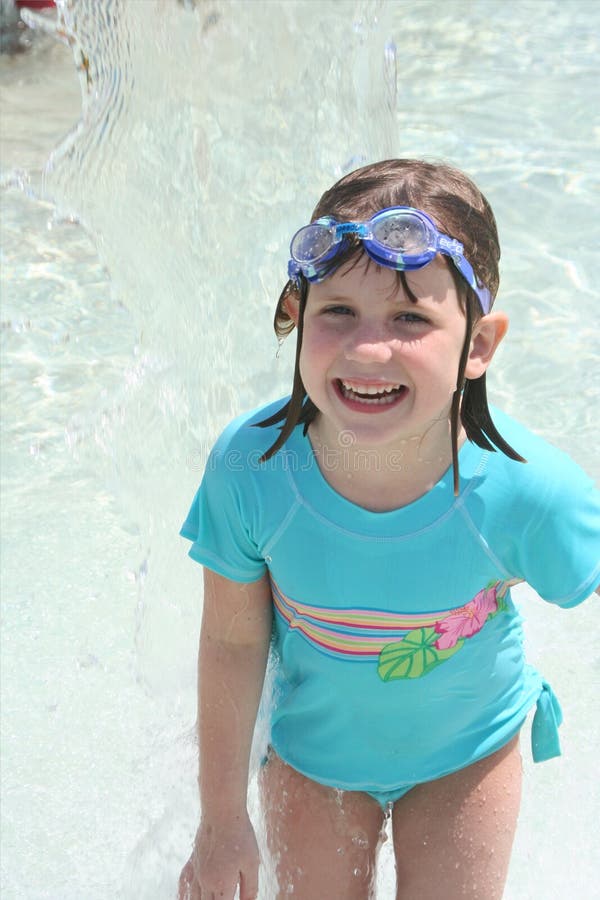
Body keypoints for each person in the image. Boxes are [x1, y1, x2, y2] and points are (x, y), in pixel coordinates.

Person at [177, 159, 600, 900]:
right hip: (313, 758)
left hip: (467, 752)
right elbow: (233, 643)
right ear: (297, 314)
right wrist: (220, 820)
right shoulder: (253, 468)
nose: (368, 349)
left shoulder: (528, 492)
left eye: (410, 319)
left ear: (478, 345)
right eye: (336, 310)